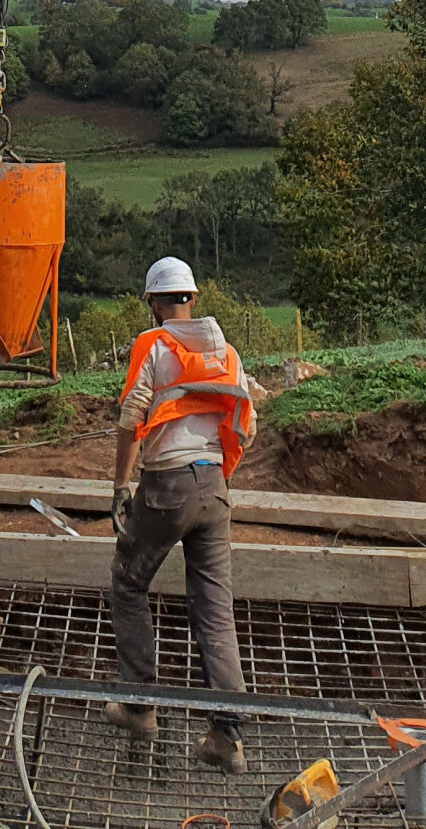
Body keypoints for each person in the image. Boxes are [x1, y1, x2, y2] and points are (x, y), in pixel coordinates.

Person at [105, 256, 265, 773]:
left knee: (129, 583)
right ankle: (227, 735)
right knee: (215, 609)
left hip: (166, 486)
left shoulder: (152, 345)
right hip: (215, 487)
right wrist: (213, 481)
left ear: (154, 303)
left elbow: (132, 419)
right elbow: (246, 424)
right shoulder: (228, 353)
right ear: (191, 298)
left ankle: (139, 705)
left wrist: (120, 485)